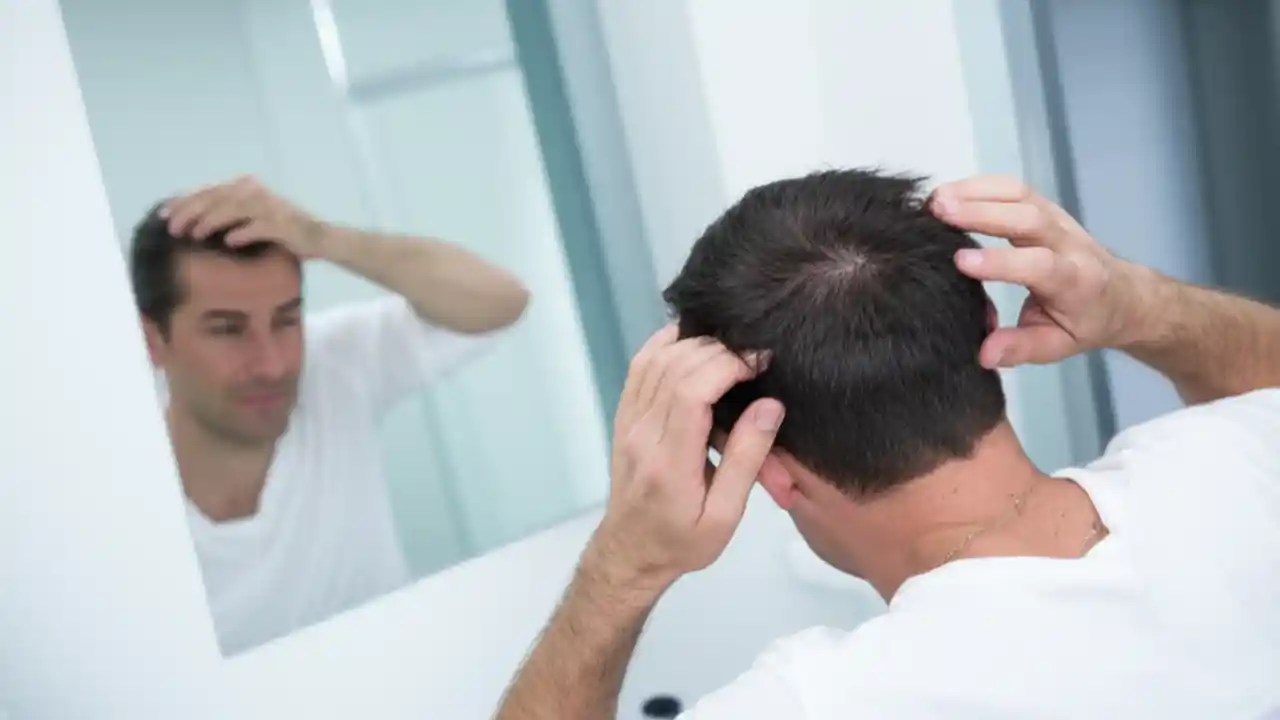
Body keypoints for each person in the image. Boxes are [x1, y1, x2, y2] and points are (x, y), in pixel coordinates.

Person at [495, 170, 1280, 718]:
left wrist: (625, 560)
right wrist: (1139, 304)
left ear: (768, 472)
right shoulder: (1236, 468)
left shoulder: (832, 704)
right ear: (989, 330)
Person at [129, 175, 529, 653]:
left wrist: (324, 238)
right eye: (228, 330)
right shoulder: (124, 512)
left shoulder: (334, 363)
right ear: (154, 341)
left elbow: (502, 301)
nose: (273, 364)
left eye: (286, 319)